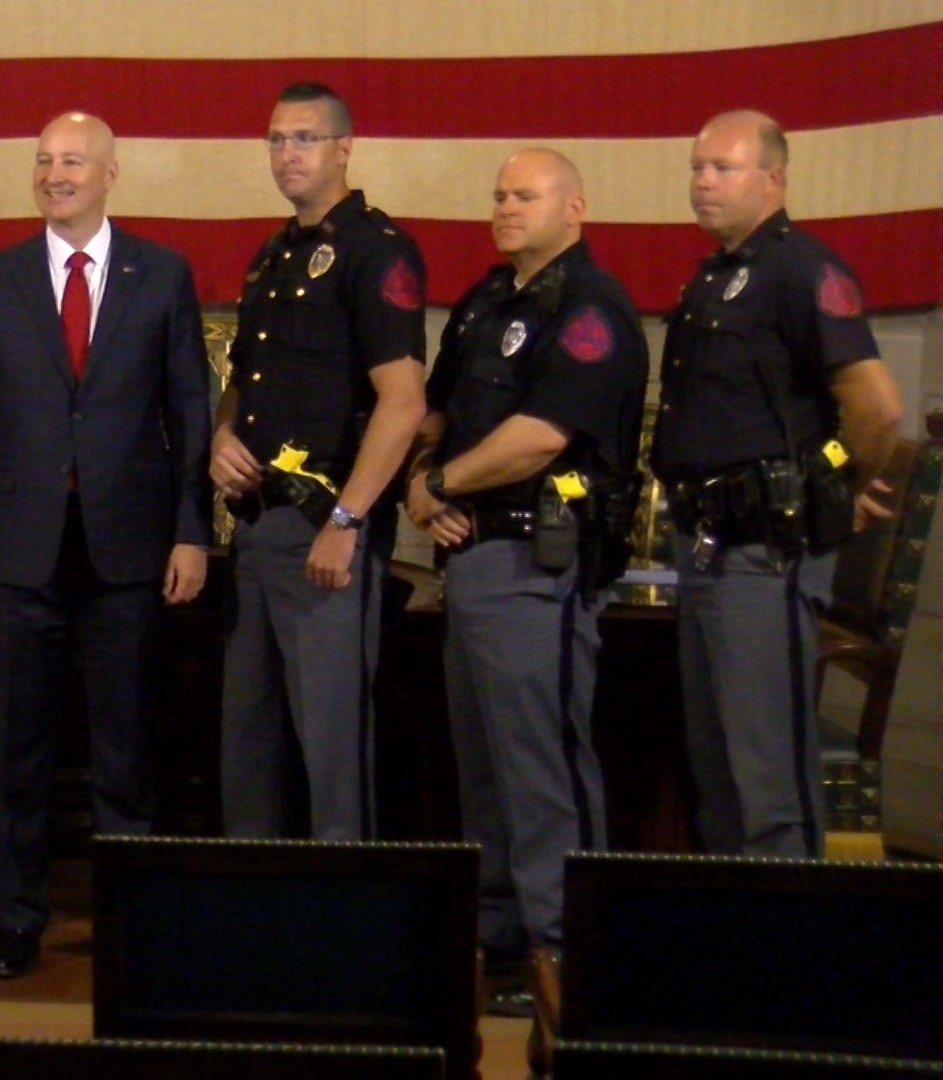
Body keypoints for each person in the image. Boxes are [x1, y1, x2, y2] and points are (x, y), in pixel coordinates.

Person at [0, 112, 212, 979]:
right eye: (44, 162)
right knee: (16, 753)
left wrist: (190, 530)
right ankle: (16, 921)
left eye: (72, 162)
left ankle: (128, 926)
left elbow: (189, 415)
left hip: (128, 554)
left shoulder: (161, 275)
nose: (55, 175)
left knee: (124, 755)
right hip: (18, 553)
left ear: (108, 173)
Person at [406, 148, 647, 995]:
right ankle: (507, 936)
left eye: (527, 194)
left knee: (541, 767)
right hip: (470, 558)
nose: (507, 207)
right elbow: (437, 408)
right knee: (485, 765)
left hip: (536, 564)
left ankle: (569, 950)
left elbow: (544, 434)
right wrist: (423, 474)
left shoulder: (590, 307)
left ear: (575, 206)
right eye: (500, 194)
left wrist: (439, 483)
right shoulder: (486, 302)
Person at [653, 110, 904, 858]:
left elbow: (879, 408)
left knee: (766, 774)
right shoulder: (717, 274)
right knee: (716, 762)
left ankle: (788, 950)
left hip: (764, 552)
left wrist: (831, 482)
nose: (703, 181)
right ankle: (731, 934)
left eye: (722, 168)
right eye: (697, 167)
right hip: (705, 546)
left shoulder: (803, 272)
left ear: (775, 177)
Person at [210, 82, 428, 841]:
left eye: (303, 138)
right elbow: (244, 377)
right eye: (275, 138)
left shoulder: (376, 250)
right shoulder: (273, 256)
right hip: (259, 529)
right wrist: (221, 436)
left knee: (333, 750)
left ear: (343, 148)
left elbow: (402, 402)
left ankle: (345, 928)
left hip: (325, 535)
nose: (286, 153)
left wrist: (346, 518)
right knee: (249, 744)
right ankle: (254, 919)